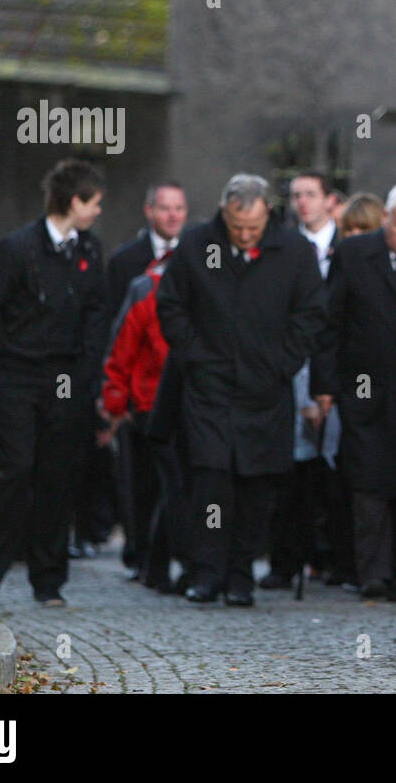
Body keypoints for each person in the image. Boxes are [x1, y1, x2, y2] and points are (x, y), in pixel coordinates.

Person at [156, 174, 326, 606]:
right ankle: (206, 570)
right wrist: (195, 355)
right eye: (237, 227)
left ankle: (241, 574)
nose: (246, 235)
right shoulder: (197, 245)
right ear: (224, 212)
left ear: (267, 212)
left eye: (253, 227)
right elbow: (171, 306)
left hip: (265, 390)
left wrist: (282, 363)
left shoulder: (293, 251)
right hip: (208, 388)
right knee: (211, 481)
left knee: (256, 486)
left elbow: (310, 315)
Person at [0, 159, 108, 607]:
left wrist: (85, 372)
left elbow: (95, 314)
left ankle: (48, 581)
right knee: (15, 470)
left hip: (65, 378)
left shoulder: (89, 251)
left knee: (57, 475)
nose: (98, 211)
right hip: (17, 375)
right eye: (95, 203)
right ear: (74, 201)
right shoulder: (17, 248)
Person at [311, 184, 396, 601]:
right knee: (366, 481)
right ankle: (373, 572)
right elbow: (329, 322)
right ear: (386, 218)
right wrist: (324, 387)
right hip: (362, 387)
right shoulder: (354, 255)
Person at [262, 169, 341, 595]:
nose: (302, 203)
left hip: (331, 373)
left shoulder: (343, 251)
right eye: (296, 195)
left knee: (324, 475)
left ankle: (325, 556)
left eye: (311, 194)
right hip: (289, 370)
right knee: (287, 473)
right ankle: (284, 558)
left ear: (330, 199)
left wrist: (324, 386)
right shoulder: (283, 248)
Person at [102, 182, 188, 572]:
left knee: (175, 481)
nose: (172, 215)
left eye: (179, 208)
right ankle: (141, 552)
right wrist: (113, 396)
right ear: (149, 211)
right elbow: (117, 334)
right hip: (143, 395)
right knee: (139, 479)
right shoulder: (127, 265)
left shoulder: (197, 259)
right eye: (165, 208)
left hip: (180, 395)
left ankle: (163, 555)